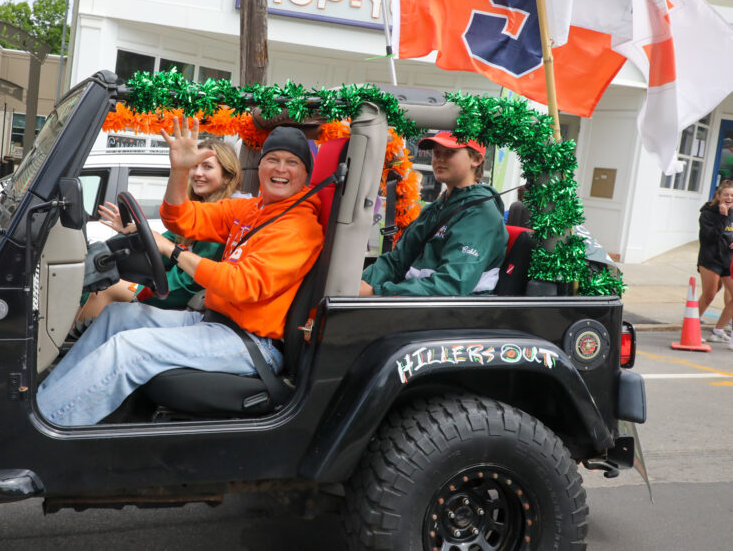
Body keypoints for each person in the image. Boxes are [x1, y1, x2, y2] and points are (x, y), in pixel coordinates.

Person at [37, 121, 324, 426]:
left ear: (306, 175)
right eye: (273, 159)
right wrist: (180, 171)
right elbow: (180, 218)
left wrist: (173, 252)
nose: (281, 168)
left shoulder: (298, 227)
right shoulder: (251, 211)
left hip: (250, 343)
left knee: (129, 348)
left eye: (292, 162)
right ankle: (41, 405)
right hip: (214, 322)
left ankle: (45, 428)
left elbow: (242, 286)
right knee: (116, 316)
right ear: (261, 166)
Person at [75, 138, 240, 323]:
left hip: (188, 300)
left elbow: (190, 282)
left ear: (227, 176)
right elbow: (162, 245)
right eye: (194, 166)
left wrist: (141, 289)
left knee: (105, 288)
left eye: (207, 167)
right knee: (100, 276)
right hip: (175, 290)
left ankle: (75, 344)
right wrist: (133, 232)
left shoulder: (222, 217)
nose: (197, 173)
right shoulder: (195, 211)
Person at [360, 131, 507, 297]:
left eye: (450, 152)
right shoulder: (439, 206)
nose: (439, 159)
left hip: (452, 313)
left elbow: (451, 284)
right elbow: (397, 261)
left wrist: (376, 292)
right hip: (419, 304)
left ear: (477, 159)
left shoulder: (480, 214)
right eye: (436, 153)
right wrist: (356, 284)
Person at [696, 180, 733, 343]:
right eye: (726, 194)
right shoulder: (707, 214)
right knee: (710, 294)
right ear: (718, 196)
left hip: (728, 259)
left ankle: (718, 330)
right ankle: (691, 323)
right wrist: (723, 217)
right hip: (710, 259)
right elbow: (710, 237)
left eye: (732, 195)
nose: (729, 198)